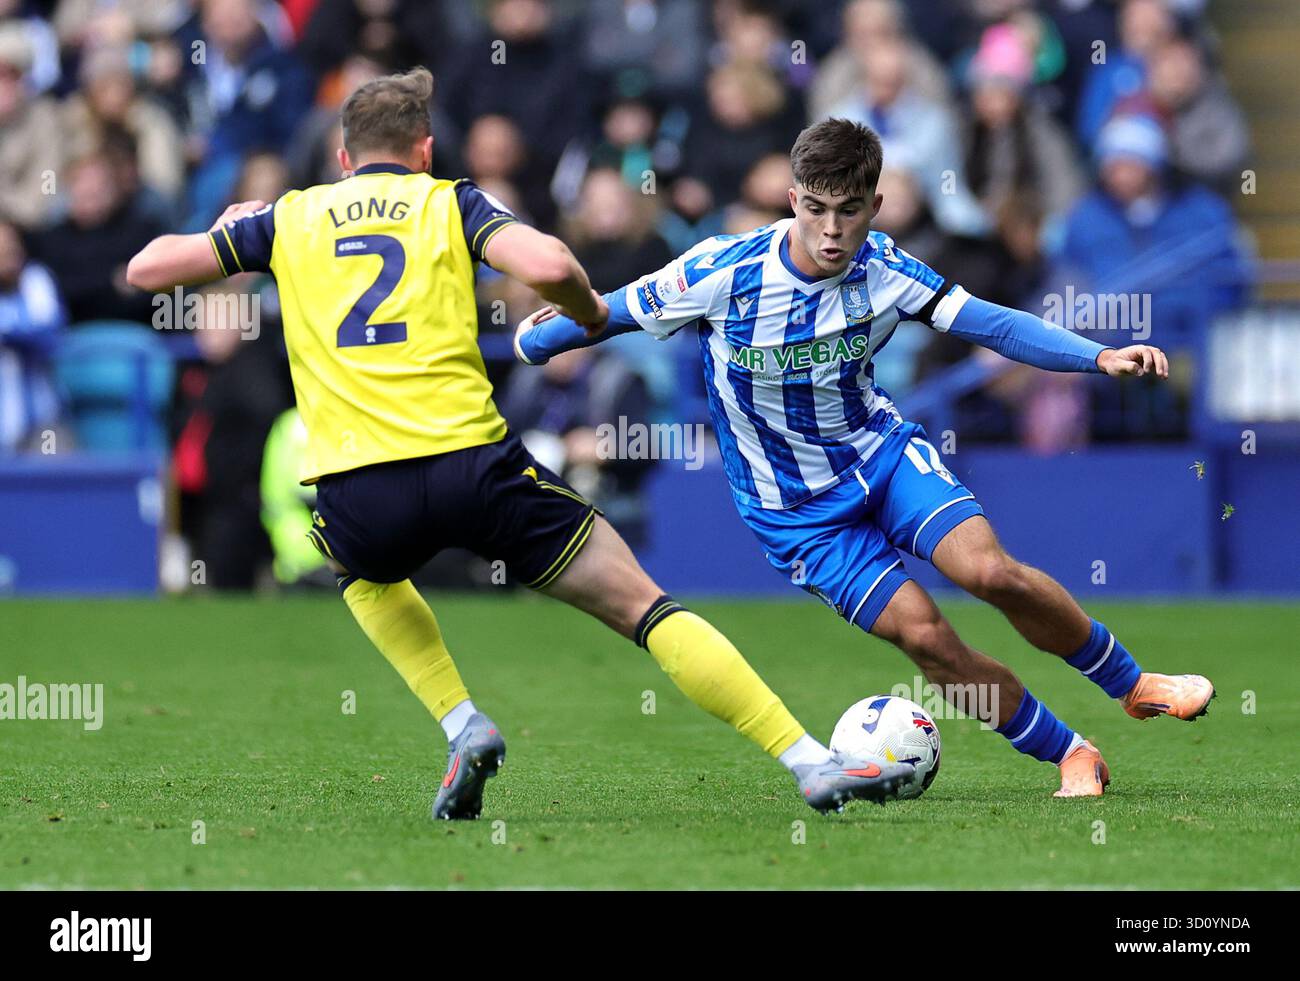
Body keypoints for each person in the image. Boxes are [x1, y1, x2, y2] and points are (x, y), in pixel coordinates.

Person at [127, 68, 912, 819]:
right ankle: (806, 758)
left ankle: (462, 719)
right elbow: (551, 263)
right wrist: (592, 315)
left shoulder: (290, 218)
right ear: (425, 151)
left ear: (342, 157)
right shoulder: (448, 203)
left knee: (361, 576)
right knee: (644, 606)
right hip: (476, 464)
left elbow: (145, 269)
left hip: (362, 486)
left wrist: (226, 230)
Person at [515, 118, 1216, 798]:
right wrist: (531, 342)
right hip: (796, 515)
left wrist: (1097, 355)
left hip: (879, 457)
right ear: (792, 199)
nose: (830, 230)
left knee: (991, 572)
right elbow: (608, 311)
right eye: (814, 209)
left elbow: (993, 322)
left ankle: (1134, 684)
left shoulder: (887, 269)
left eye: (848, 212)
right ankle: (1071, 750)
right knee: (927, 637)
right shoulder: (721, 271)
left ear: (875, 206)